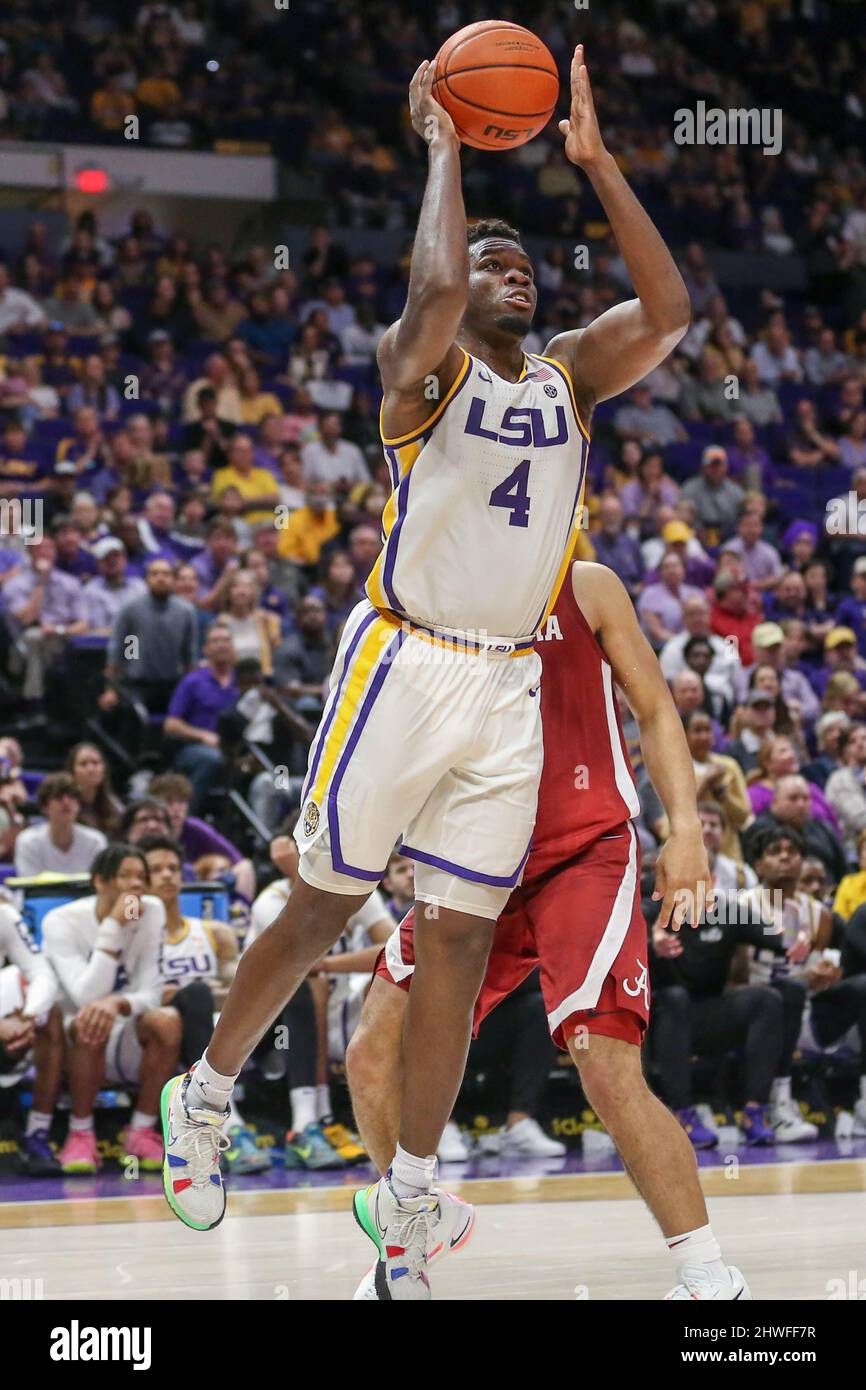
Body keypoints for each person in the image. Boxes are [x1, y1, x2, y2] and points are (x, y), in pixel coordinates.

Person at [160, 47, 703, 1301]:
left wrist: (598, 162)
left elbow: (670, 315)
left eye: (526, 264)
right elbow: (438, 281)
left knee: (455, 942)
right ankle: (207, 1089)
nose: (503, 274)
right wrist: (445, 142)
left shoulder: (568, 377)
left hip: (507, 684)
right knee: (318, 899)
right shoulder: (424, 374)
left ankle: (408, 1194)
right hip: (404, 661)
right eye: (490, 263)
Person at [347, 559, 747, 1302]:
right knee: (374, 1048)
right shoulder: (429, 597)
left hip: (582, 849)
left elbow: (657, 710)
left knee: (604, 1063)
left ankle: (708, 1277)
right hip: (477, 858)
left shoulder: (588, 586)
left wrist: (685, 828)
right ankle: (410, 1239)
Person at [41, 843, 176, 1173]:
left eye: (141, 878)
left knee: (168, 1020)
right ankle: (80, 1133)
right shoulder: (60, 922)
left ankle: (141, 1130)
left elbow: (153, 992)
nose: (136, 886)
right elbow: (86, 995)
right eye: (125, 877)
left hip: (125, 1030)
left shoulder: (152, 911)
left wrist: (117, 1002)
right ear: (99, 882)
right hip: (78, 1036)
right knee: (91, 1018)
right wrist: (113, 926)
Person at [140, 835, 267, 1176]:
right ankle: (230, 1125)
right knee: (195, 995)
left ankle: (308, 1120)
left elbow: (237, 990)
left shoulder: (214, 932)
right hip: (167, 1034)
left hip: (217, 1024)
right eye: (156, 870)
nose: (167, 875)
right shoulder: (137, 936)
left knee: (284, 992)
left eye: (172, 868)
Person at [0, 900, 64, 1175]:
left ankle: (37, 1134)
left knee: (50, 1014)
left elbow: (42, 974)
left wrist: (28, 1017)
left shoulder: (4, 915)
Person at [164, 623, 237, 812]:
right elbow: (171, 724)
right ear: (205, 649)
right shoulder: (193, 681)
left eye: (226, 640)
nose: (221, 645)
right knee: (212, 759)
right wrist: (202, 736)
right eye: (215, 641)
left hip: (235, 748)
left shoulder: (241, 681)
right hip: (194, 749)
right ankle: (185, 815)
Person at [14, 772, 107, 877]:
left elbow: (101, 884)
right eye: (58, 797)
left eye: (72, 797)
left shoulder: (95, 841)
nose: (66, 802)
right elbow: (29, 886)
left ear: (78, 805)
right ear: (45, 807)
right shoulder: (28, 841)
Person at [66, 742, 124, 836]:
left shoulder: (114, 805)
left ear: (104, 769)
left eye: (95, 763)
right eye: (83, 764)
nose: (91, 769)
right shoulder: (66, 804)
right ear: (73, 771)